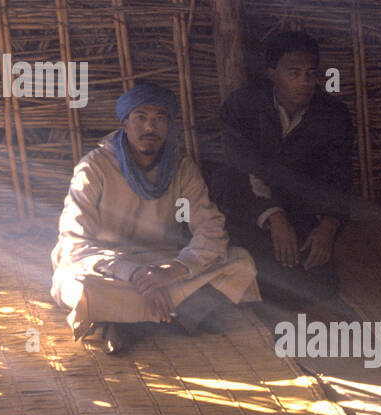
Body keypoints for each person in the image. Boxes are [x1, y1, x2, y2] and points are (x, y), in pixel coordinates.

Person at [51, 83, 260, 355]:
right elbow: (75, 243)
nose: (150, 127)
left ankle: (126, 321)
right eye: (141, 118)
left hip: (164, 264)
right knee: (78, 286)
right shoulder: (94, 167)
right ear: (125, 123)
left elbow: (211, 232)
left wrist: (176, 269)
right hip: (110, 269)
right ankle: (173, 316)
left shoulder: (181, 168)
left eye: (160, 118)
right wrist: (135, 274)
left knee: (240, 262)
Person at [215, 31, 356, 311]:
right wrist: (274, 217)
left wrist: (328, 226)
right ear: (272, 73)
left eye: (311, 73)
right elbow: (240, 168)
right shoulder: (243, 106)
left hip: (301, 209)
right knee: (268, 271)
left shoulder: (332, 115)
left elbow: (339, 176)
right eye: (294, 72)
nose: (305, 82)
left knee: (321, 285)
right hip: (251, 207)